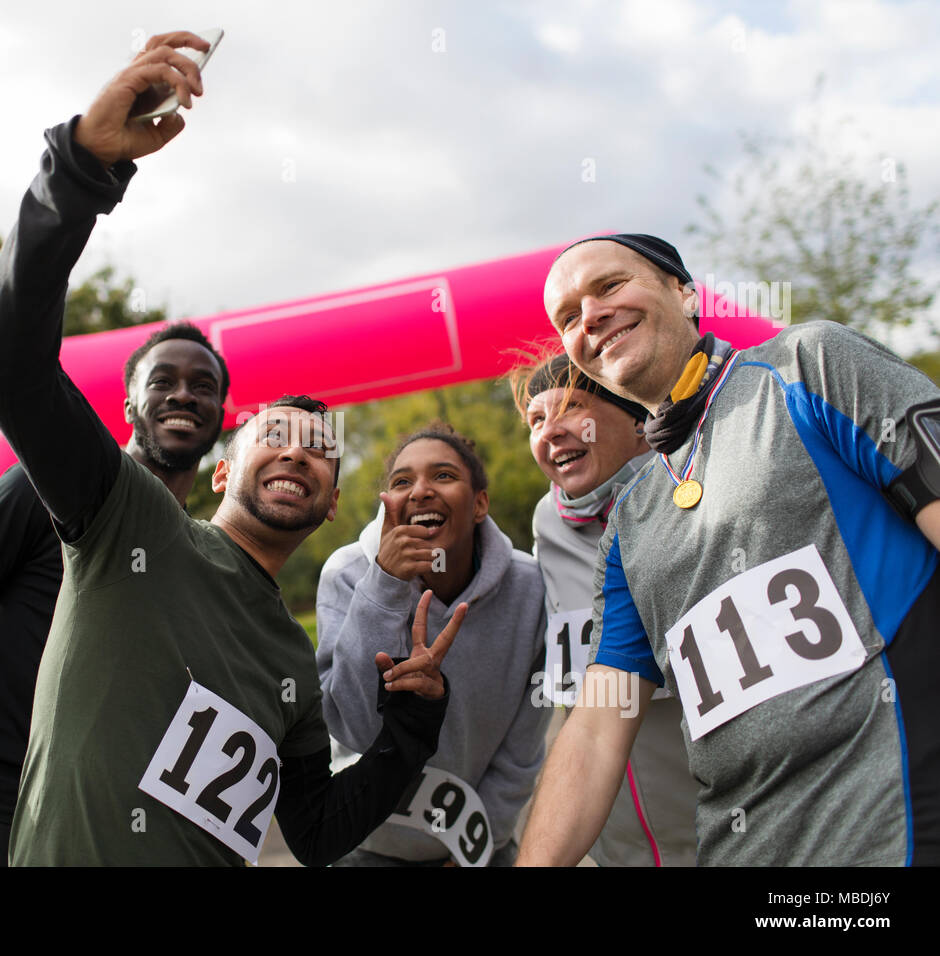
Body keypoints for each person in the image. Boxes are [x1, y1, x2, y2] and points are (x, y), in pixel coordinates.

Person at [0, 30, 463, 866]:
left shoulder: (287, 664)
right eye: (276, 436)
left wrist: (409, 728)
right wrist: (82, 165)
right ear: (226, 467)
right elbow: (7, 360)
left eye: (320, 451)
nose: (299, 455)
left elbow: (315, 835)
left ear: (334, 502)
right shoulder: (126, 519)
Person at [518, 233, 940, 866]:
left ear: (684, 292)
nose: (591, 317)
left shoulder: (810, 363)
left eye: (608, 287)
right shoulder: (628, 528)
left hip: (893, 829)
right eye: (569, 317)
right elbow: (597, 730)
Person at [0, 321, 229, 867]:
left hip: (115, 827)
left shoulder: (198, 553)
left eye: (203, 385)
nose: (183, 394)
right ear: (128, 405)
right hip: (0, 815)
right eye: (163, 381)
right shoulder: (47, 489)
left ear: (221, 413)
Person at [316, 423, 548, 866]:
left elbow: (522, 749)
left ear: (480, 503)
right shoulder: (346, 574)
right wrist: (383, 588)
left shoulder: (529, 587)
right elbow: (352, 730)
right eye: (402, 481)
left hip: (480, 849)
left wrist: (474, 848)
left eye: (443, 476)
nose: (421, 491)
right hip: (364, 846)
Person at [515, 354, 696, 866]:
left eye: (573, 408)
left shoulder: (699, 490)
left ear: (639, 421)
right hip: (618, 849)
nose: (550, 431)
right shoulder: (547, 522)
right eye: (535, 420)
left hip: (735, 837)